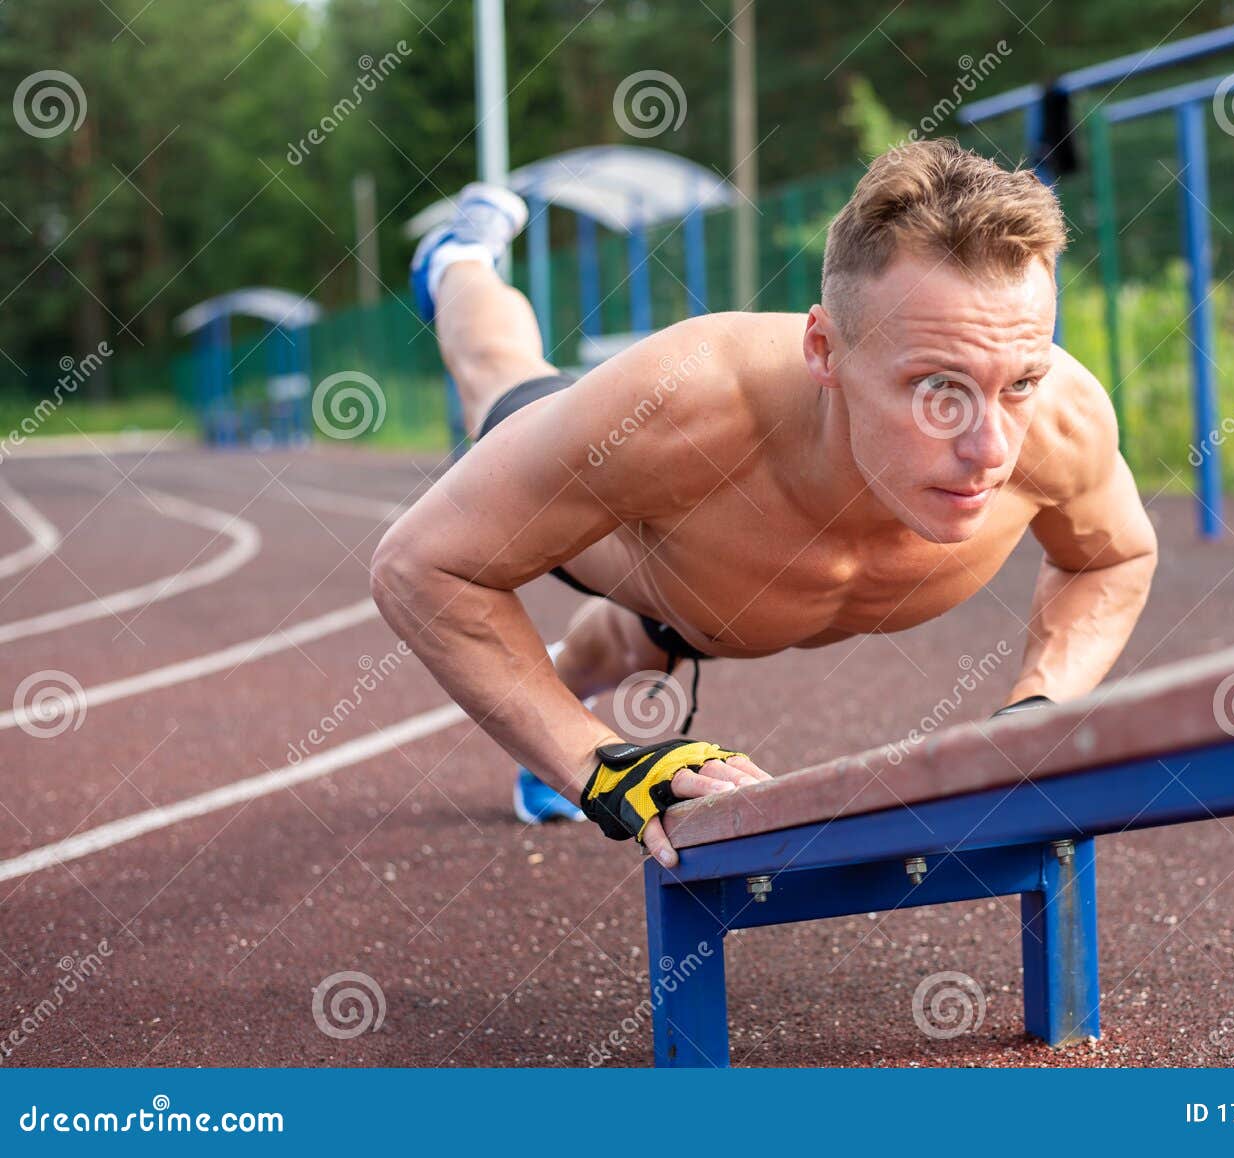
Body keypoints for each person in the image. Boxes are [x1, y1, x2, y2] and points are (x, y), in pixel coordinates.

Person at [372, 138, 1158, 868]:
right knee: (499, 368)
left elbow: (1113, 557)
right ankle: (458, 260)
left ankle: (573, 683)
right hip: (647, 551)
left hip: (709, 600)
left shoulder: (1063, 421)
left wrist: (1037, 714)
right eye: (938, 388)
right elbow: (419, 566)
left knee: (630, 648)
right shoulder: (679, 409)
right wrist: (594, 763)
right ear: (823, 349)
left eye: (1020, 382)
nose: (990, 448)